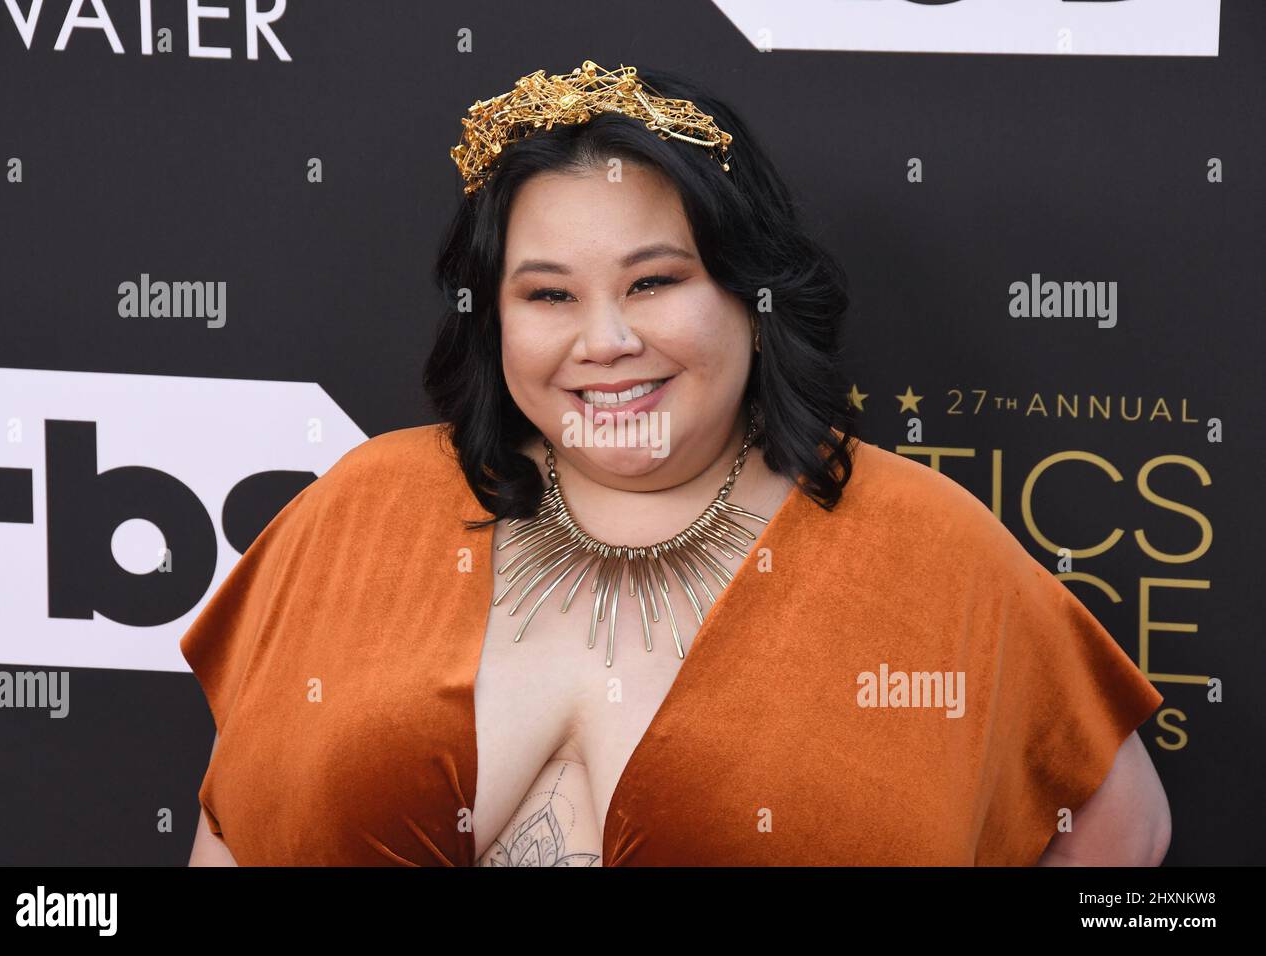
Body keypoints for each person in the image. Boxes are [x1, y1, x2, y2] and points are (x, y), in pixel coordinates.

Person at [184, 60, 1168, 867]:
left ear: (751, 291)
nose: (604, 340)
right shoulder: (362, 511)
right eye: (548, 295)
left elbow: (1122, 834)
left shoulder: (930, 553)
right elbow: (231, 830)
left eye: (653, 280)